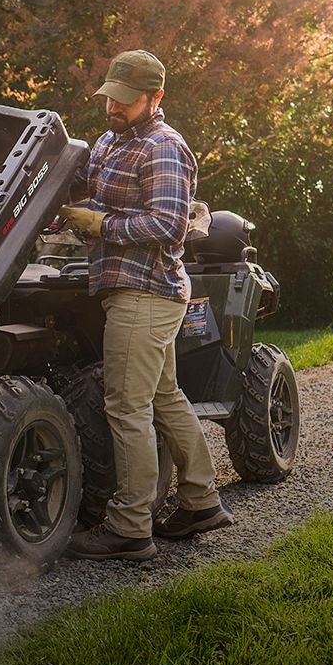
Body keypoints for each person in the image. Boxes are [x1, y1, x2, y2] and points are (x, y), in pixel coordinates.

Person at [60, 49, 233, 562]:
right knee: (163, 398)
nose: (114, 108)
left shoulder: (164, 147)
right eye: (110, 97)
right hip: (128, 289)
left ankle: (130, 526)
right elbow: (95, 196)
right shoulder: (109, 141)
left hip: (146, 291)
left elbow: (167, 225)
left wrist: (101, 226)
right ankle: (201, 500)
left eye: (126, 101)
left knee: (125, 406)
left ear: (156, 97)